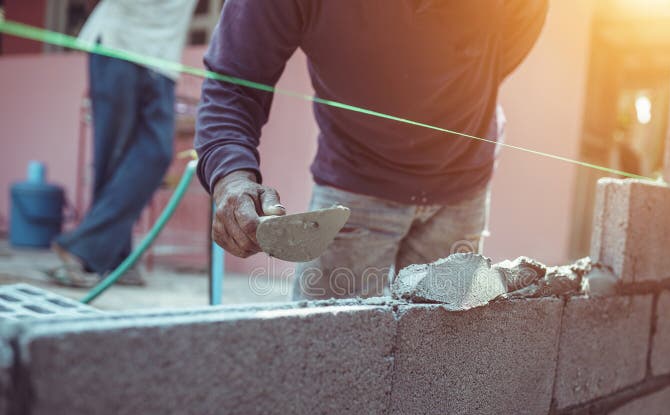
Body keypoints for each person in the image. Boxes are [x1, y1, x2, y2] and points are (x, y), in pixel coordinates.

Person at [195, 0, 549, 300]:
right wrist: (231, 176)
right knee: (328, 348)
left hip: (463, 184)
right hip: (354, 183)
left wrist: (463, 80)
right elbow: (233, 84)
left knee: (446, 354)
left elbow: (520, 28)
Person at [48, 0, 198, 287]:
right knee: (113, 156)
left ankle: (103, 252)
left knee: (156, 154)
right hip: (118, 42)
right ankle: (101, 255)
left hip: (162, 58)